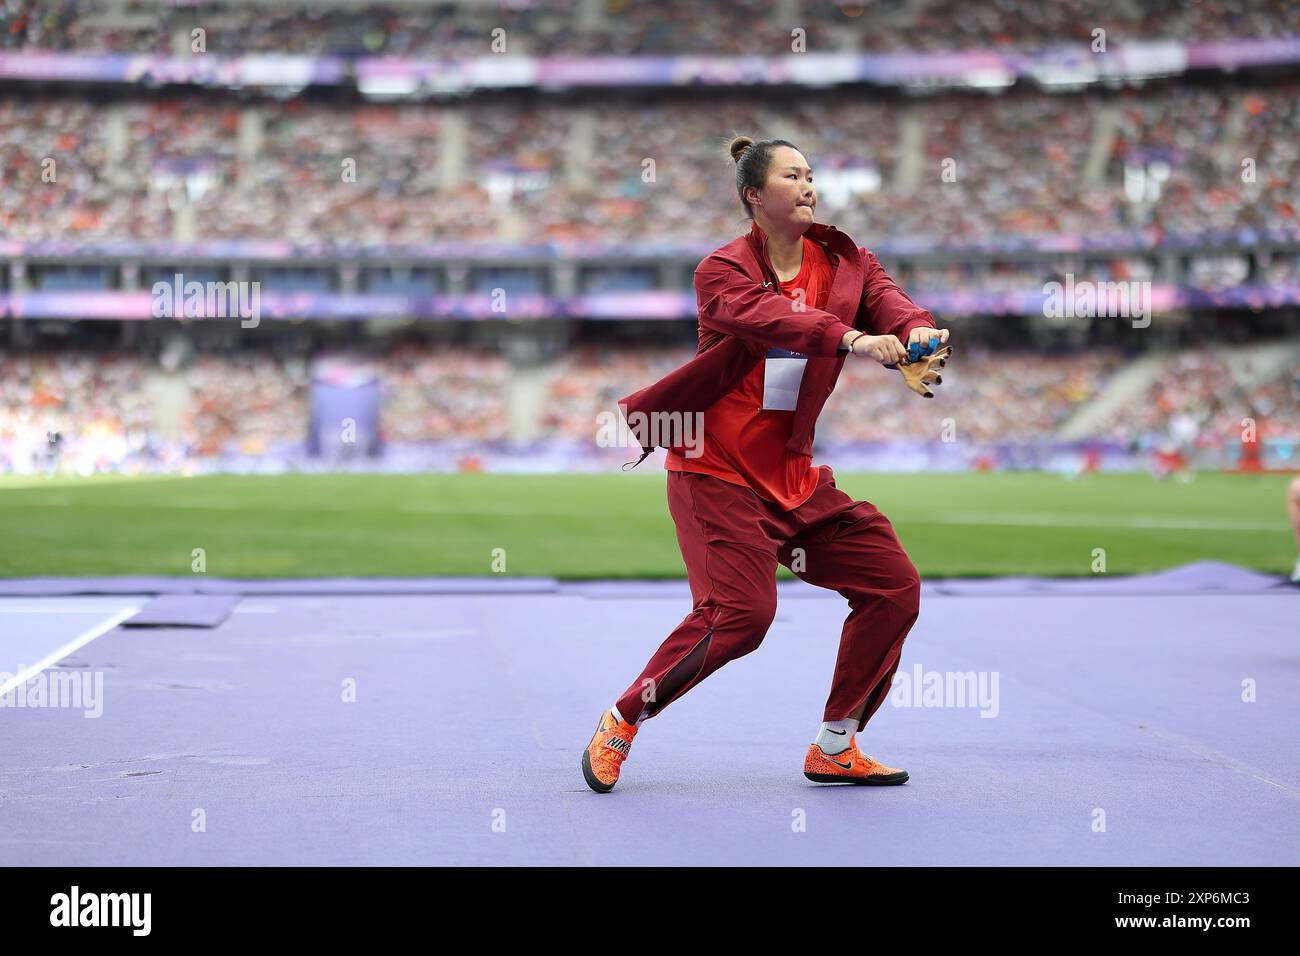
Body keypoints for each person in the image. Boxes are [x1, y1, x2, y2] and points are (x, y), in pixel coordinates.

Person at [582, 135, 951, 793]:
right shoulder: (720, 272)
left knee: (893, 583)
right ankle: (623, 717)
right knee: (742, 617)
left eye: (811, 174)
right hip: (714, 470)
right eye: (792, 175)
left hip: (792, 476)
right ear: (755, 195)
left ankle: (837, 744)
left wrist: (919, 333)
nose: (809, 186)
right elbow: (777, 321)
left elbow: (894, 303)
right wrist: (855, 339)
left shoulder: (847, 261)